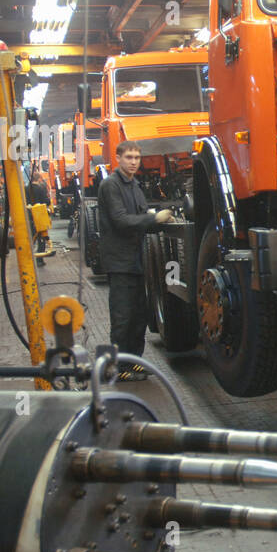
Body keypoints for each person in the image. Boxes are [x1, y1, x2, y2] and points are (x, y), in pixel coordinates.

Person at [97, 141, 171, 380]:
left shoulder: (135, 187)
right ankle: (118, 367)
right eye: (129, 157)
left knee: (139, 315)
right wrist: (153, 220)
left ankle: (134, 361)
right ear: (118, 158)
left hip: (136, 261)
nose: (133, 161)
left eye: (137, 157)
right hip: (119, 262)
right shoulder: (111, 185)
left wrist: (160, 221)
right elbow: (120, 220)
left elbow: (140, 219)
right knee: (122, 316)